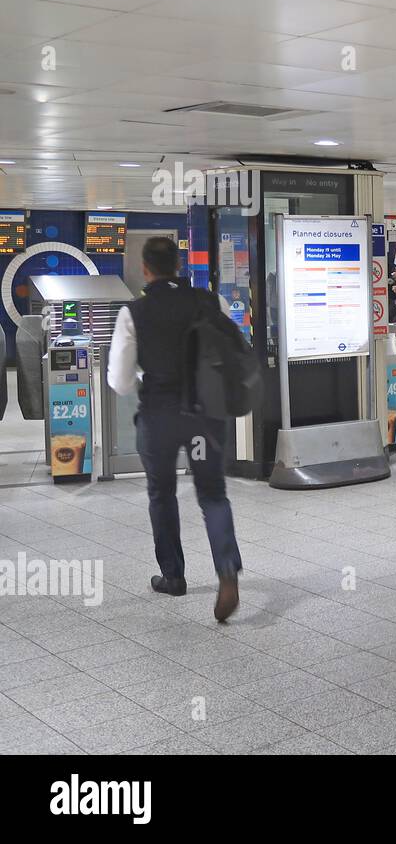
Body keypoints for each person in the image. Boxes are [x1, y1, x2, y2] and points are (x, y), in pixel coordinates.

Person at [107, 237, 242, 622]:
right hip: (205, 415)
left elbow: (119, 380)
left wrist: (146, 372)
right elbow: (227, 348)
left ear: (147, 269)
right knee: (213, 495)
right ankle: (227, 571)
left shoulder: (134, 312)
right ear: (179, 266)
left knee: (161, 493)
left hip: (160, 416)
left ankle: (173, 575)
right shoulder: (208, 301)